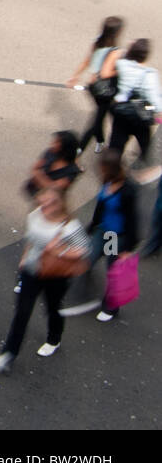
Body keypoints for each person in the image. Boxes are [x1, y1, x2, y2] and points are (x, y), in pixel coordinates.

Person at [0, 188, 90, 374]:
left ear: (60, 204)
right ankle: (9, 353)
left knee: (53, 308)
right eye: (44, 201)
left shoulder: (69, 226)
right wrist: (25, 257)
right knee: (22, 312)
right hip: (31, 271)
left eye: (51, 203)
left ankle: (54, 338)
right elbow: (32, 238)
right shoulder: (35, 215)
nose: (45, 206)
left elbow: (83, 250)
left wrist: (57, 251)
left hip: (55, 276)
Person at [60, 149, 140, 321]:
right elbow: (101, 206)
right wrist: (93, 225)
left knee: (113, 270)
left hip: (115, 235)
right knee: (89, 257)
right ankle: (86, 277)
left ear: (110, 168)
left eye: (103, 168)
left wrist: (127, 248)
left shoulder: (128, 190)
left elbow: (133, 220)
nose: (100, 171)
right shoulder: (108, 181)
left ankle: (111, 307)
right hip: (102, 229)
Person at [68, 16, 125, 155]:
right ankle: (79, 150)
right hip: (106, 89)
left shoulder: (97, 41)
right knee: (97, 121)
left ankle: (100, 140)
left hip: (93, 87)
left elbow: (87, 61)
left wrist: (75, 76)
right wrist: (119, 69)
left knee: (101, 115)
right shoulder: (115, 51)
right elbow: (106, 73)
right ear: (117, 32)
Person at [107, 39, 161, 173]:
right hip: (139, 116)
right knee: (144, 143)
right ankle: (141, 169)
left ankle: (112, 170)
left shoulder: (122, 65)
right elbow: (153, 97)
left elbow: (118, 58)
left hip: (121, 111)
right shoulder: (149, 74)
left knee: (116, 144)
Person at [23, 132, 84, 201]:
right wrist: (47, 182)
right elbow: (34, 169)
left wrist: (39, 176)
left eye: (56, 142)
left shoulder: (72, 171)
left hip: (50, 201)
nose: (52, 144)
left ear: (65, 148)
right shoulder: (50, 152)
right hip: (36, 192)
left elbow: (55, 189)